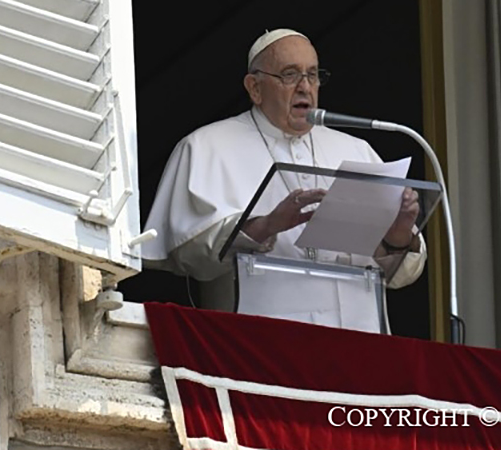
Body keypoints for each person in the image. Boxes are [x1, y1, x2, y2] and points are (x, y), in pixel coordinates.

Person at [141, 29, 426, 334]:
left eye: (313, 75)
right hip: (254, 343)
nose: (305, 87)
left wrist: (398, 237)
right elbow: (188, 256)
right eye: (290, 75)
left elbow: (400, 276)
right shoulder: (206, 146)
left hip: (359, 342)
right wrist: (265, 226)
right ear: (255, 88)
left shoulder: (357, 150)